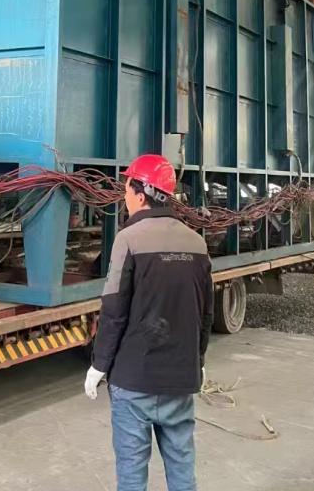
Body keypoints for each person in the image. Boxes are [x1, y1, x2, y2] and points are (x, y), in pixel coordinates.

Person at [84, 154, 213, 491]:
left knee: (131, 472)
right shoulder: (197, 242)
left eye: (127, 189)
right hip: (180, 378)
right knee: (182, 468)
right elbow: (205, 313)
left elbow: (114, 309)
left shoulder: (129, 239)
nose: (124, 197)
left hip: (134, 379)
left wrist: (99, 365)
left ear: (141, 195)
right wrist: (198, 361)